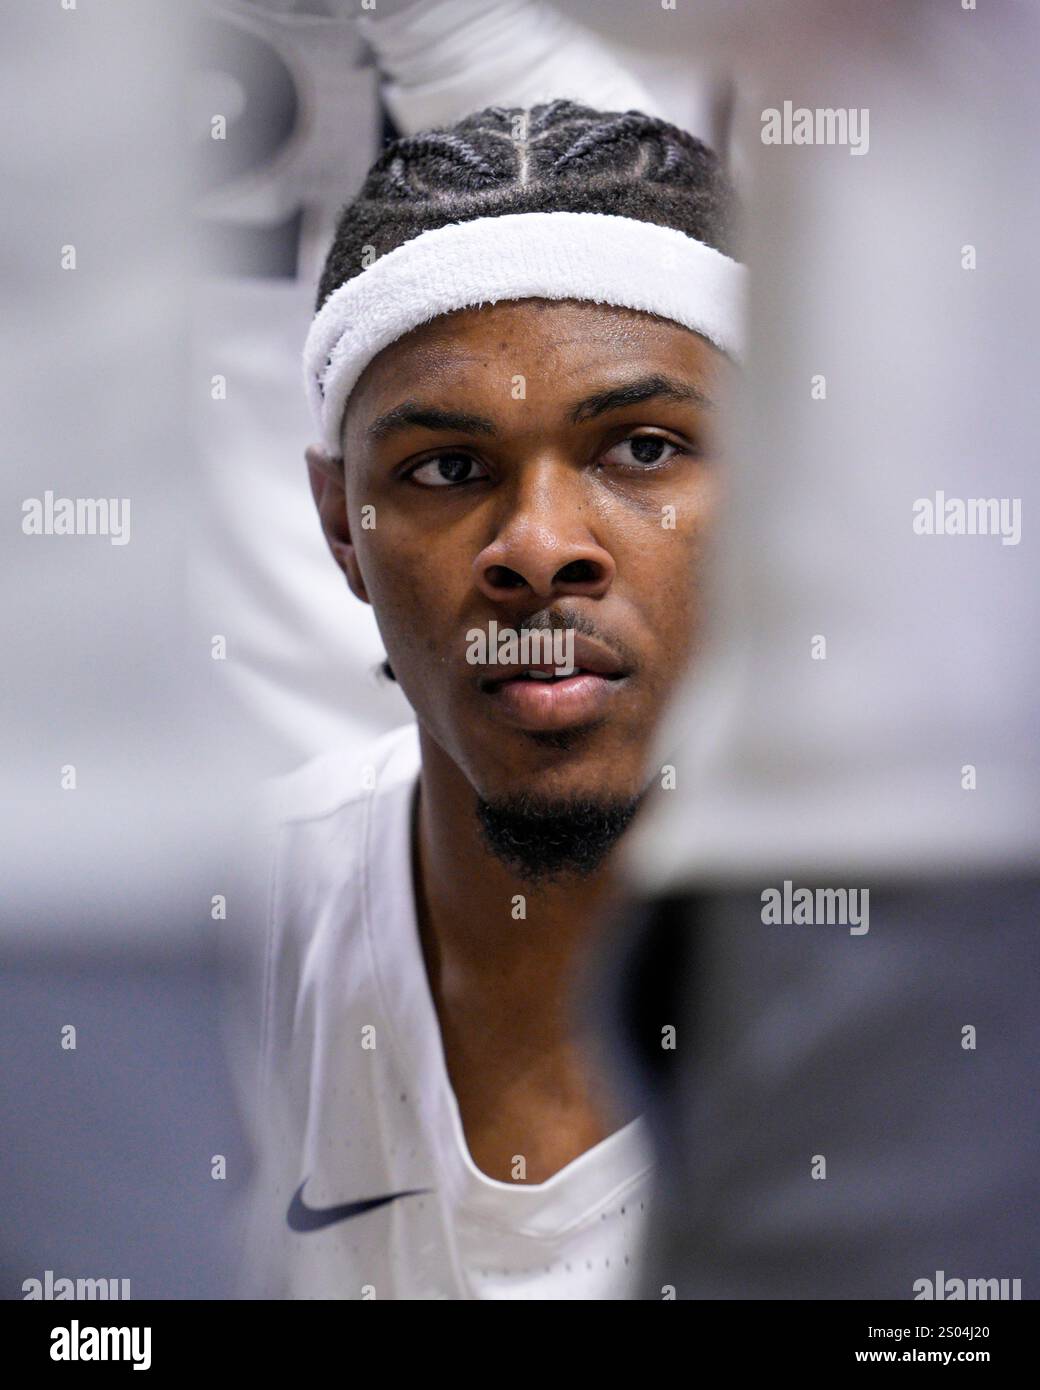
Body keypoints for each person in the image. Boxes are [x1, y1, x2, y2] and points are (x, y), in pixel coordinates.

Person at [246, 100, 745, 1300]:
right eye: (447, 468)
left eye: (638, 448)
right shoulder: (195, 949)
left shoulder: (947, 1000)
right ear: (340, 527)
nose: (536, 547)